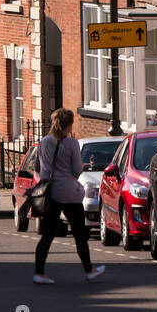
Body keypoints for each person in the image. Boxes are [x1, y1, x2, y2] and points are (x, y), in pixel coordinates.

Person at [33, 108, 105, 285]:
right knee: (79, 234)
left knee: (47, 235)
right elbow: (76, 170)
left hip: (50, 193)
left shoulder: (43, 142)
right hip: (69, 193)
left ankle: (39, 273)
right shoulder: (72, 143)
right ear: (69, 125)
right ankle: (88, 270)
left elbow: (37, 167)